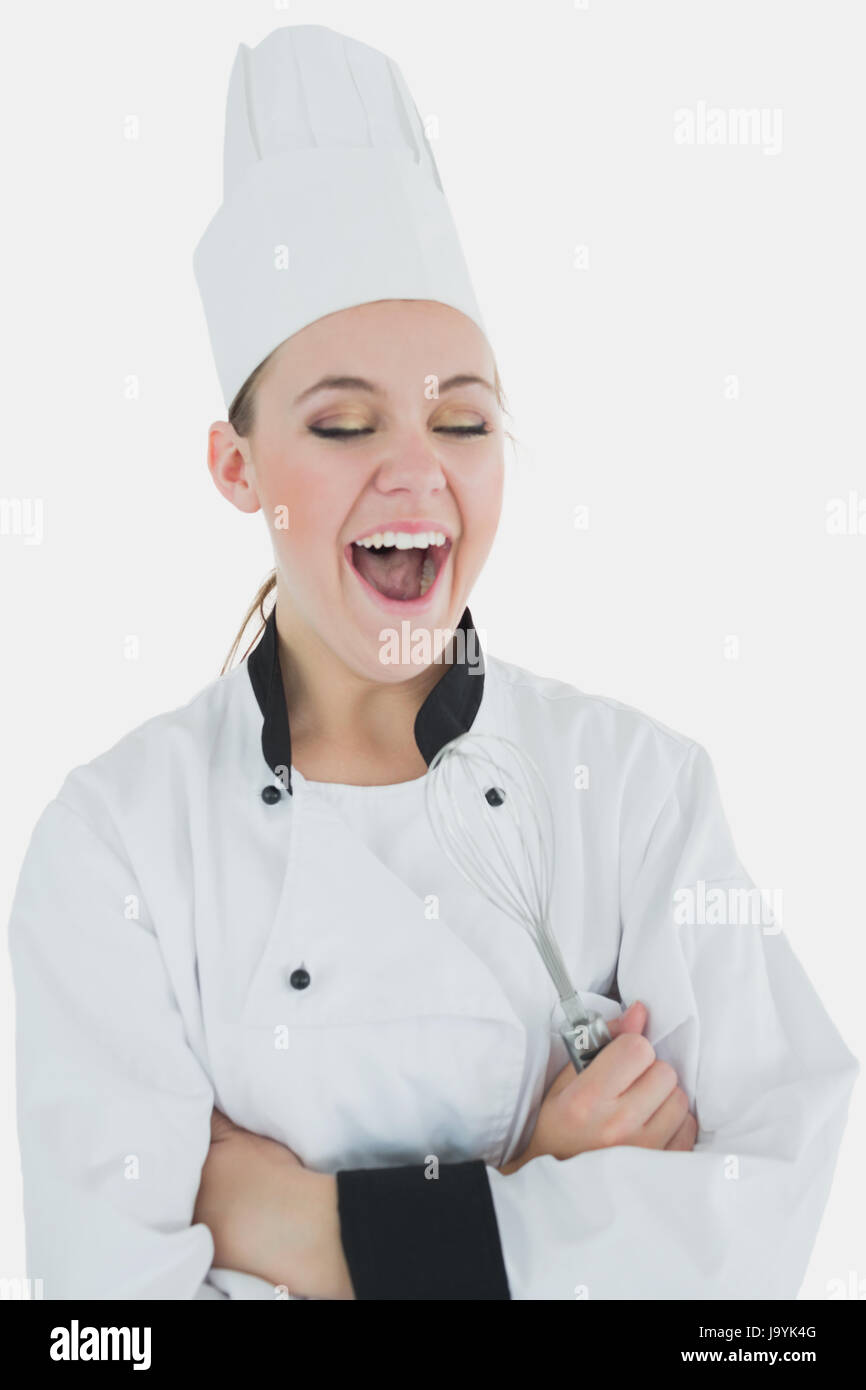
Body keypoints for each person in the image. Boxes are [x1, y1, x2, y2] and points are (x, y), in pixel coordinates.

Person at [7, 24, 858, 1301]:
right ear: (237, 468)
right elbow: (95, 1337)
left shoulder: (637, 793)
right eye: (344, 422)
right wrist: (528, 1178)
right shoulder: (115, 847)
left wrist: (293, 1226)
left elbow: (757, 1279)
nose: (419, 471)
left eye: (462, 417)